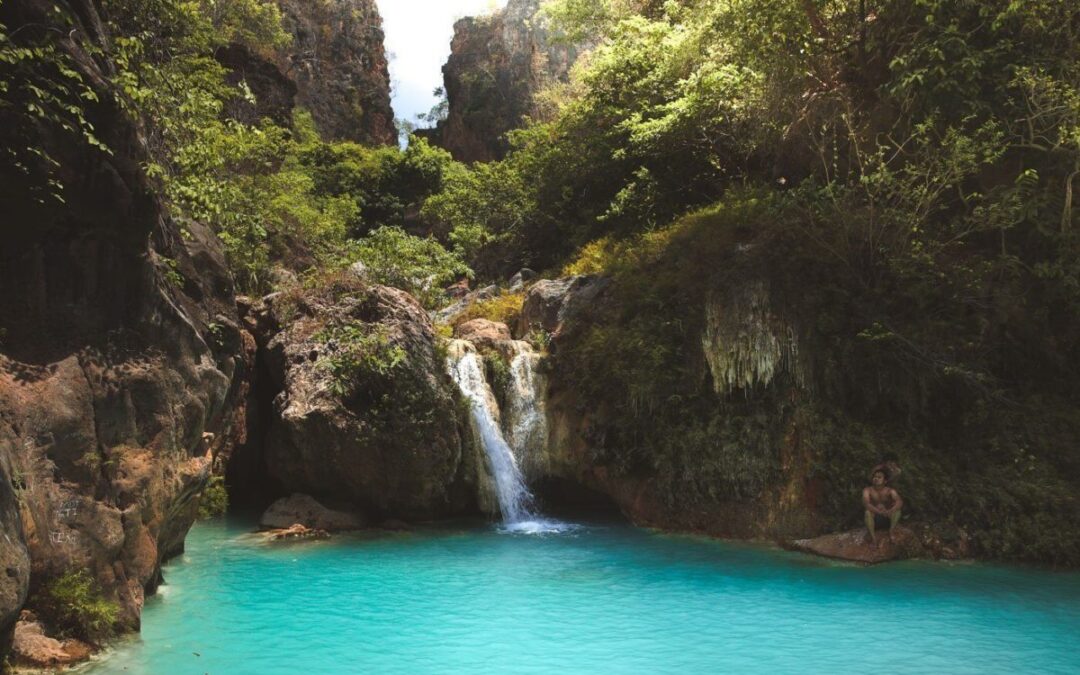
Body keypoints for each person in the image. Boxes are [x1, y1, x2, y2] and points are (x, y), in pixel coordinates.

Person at [863, 468, 902, 544]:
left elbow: (899, 501)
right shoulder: (867, 490)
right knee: (867, 512)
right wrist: (878, 512)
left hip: (887, 517)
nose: (876, 479)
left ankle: (891, 531)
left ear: (885, 481)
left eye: (879, 477)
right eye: (875, 477)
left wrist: (890, 510)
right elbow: (866, 504)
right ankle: (873, 537)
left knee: (897, 511)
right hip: (875, 519)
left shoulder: (890, 491)